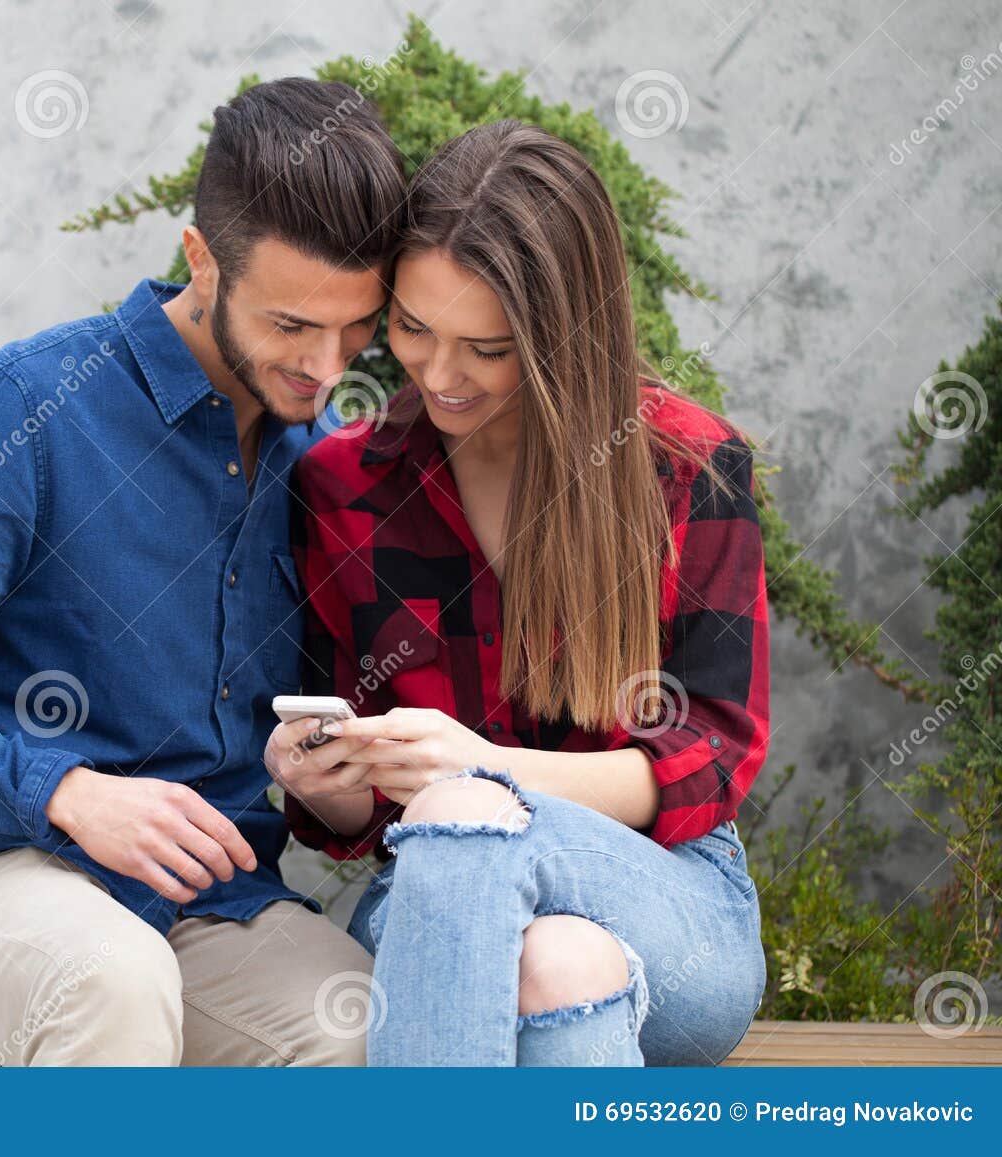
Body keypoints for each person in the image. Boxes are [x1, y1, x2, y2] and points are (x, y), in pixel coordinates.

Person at [0, 77, 408, 1065]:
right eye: (291, 325)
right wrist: (68, 791)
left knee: (370, 1023)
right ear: (200, 260)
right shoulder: (25, 409)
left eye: (358, 328)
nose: (325, 363)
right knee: (112, 980)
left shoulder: (323, 465)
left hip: (215, 904)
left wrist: (330, 770)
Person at [265, 120, 769, 1066]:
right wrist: (326, 784)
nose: (440, 375)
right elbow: (361, 817)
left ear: (560, 335)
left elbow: (713, 757)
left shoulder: (685, 466)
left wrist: (480, 770)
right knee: (558, 962)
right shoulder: (341, 485)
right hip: (441, 915)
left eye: (487, 348)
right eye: (413, 328)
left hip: (670, 902)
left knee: (465, 813)